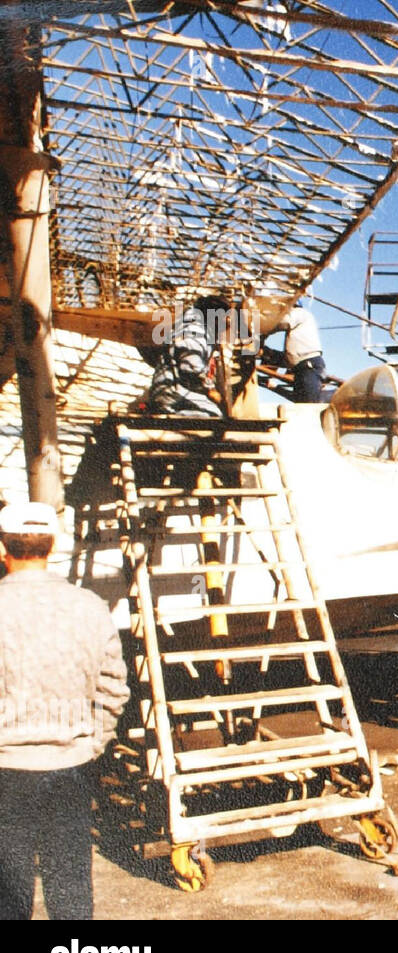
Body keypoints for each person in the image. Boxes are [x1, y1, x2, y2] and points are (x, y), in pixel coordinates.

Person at [0, 501, 129, 920]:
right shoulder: (89, 606)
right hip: (70, 767)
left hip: (6, 770)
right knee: (71, 886)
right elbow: (114, 687)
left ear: (3, 549)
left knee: (8, 892)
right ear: (52, 545)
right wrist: (93, 742)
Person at [146, 294, 228, 417]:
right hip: (174, 397)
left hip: (172, 394)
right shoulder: (195, 331)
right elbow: (190, 366)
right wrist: (211, 390)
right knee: (213, 416)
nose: (227, 322)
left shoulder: (190, 328)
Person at [274, 301, 327, 404]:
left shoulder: (299, 313)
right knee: (301, 402)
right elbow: (289, 358)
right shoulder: (297, 332)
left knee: (309, 405)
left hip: (308, 366)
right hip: (302, 367)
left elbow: (284, 322)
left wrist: (259, 324)